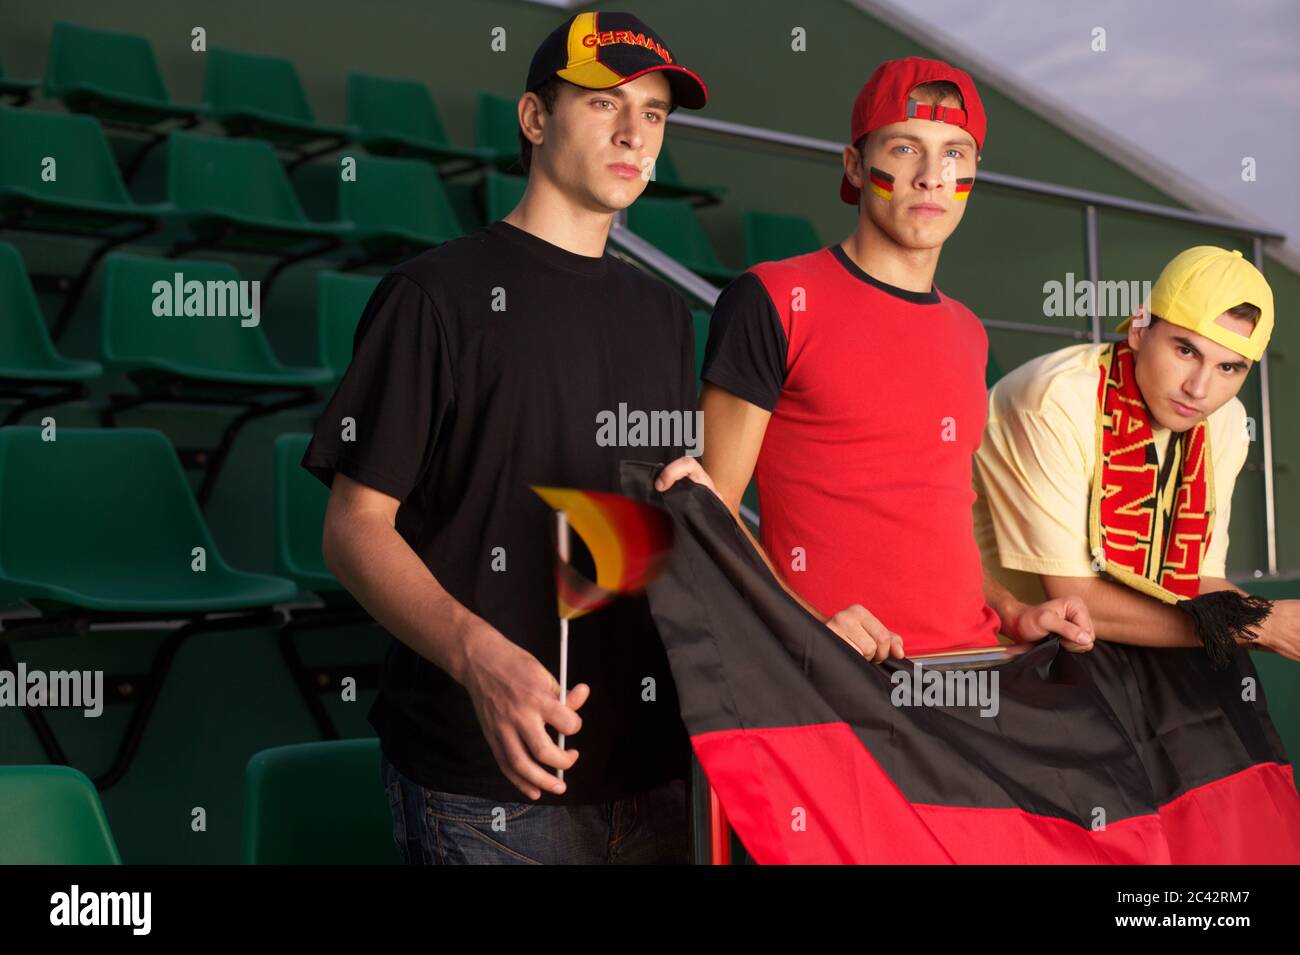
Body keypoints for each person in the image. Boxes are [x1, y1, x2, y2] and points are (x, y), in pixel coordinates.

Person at [301, 10, 709, 864]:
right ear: (534, 119)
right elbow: (353, 529)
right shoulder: (433, 296)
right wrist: (478, 655)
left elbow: (672, 521)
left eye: (655, 112)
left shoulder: (665, 315)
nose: (636, 131)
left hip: (656, 768)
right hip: (488, 787)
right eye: (604, 104)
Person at [663, 57, 1093, 662]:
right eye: (905, 148)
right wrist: (813, 628)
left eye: (954, 154)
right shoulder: (774, 299)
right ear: (855, 166)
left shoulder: (969, 331)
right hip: (837, 679)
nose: (931, 177)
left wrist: (1013, 611)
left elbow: (935, 522)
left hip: (972, 671)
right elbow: (710, 513)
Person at [973, 245, 1299, 664]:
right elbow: (1075, 597)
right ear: (1140, 329)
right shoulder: (1052, 402)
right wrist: (1262, 625)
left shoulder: (1226, 421)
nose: (1199, 390)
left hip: (1109, 654)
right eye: (1186, 351)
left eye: (1228, 368)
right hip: (995, 654)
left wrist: (1271, 624)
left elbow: (1201, 581)